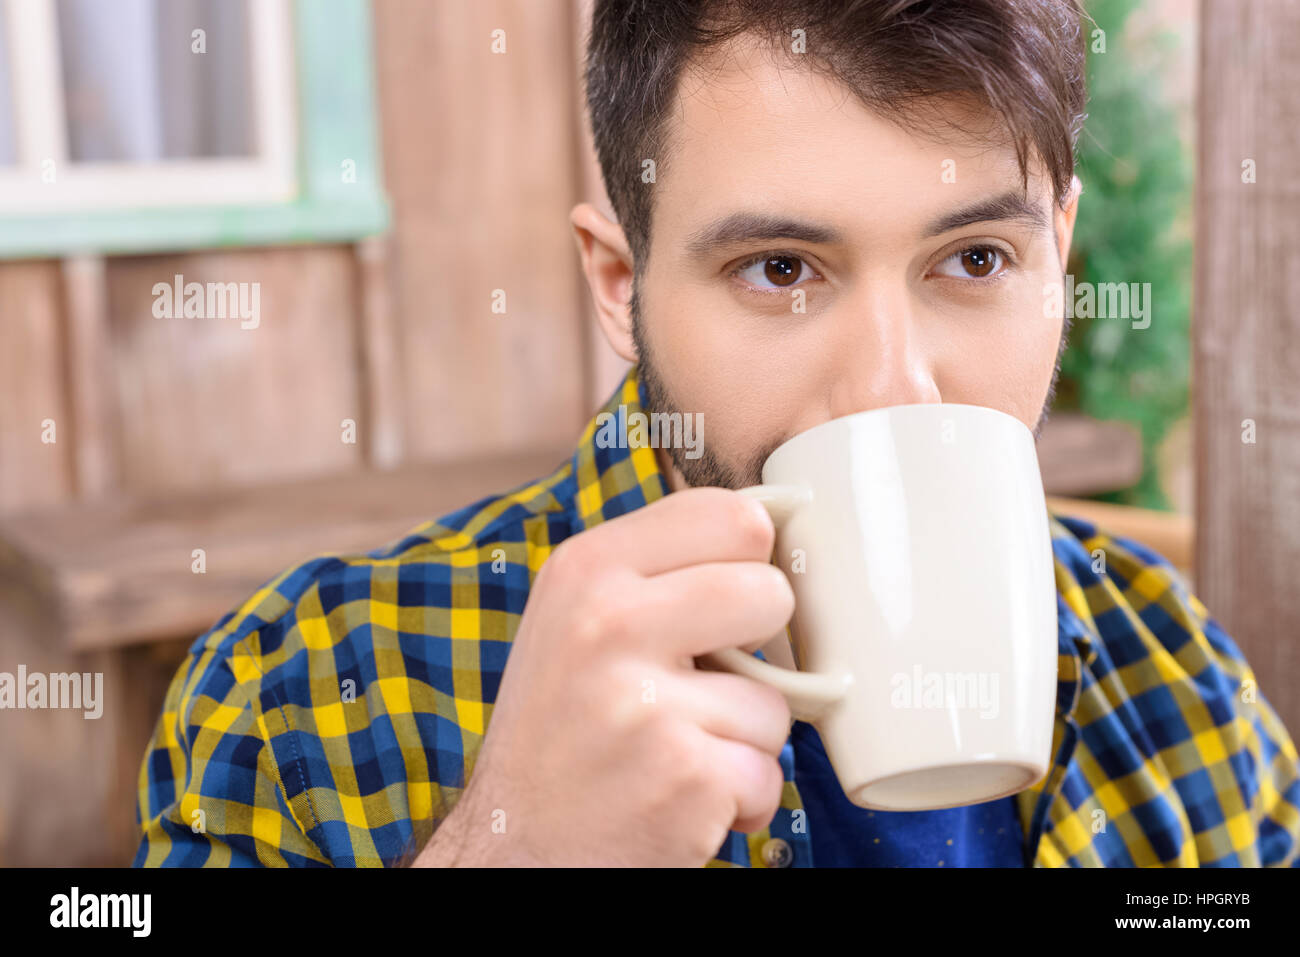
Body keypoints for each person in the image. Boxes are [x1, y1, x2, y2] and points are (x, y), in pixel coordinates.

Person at [134, 0, 1299, 867]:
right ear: (616, 283)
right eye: (780, 269)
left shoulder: (1170, 666)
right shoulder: (304, 695)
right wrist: (508, 849)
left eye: (977, 259)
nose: (896, 387)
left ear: (1060, 253)